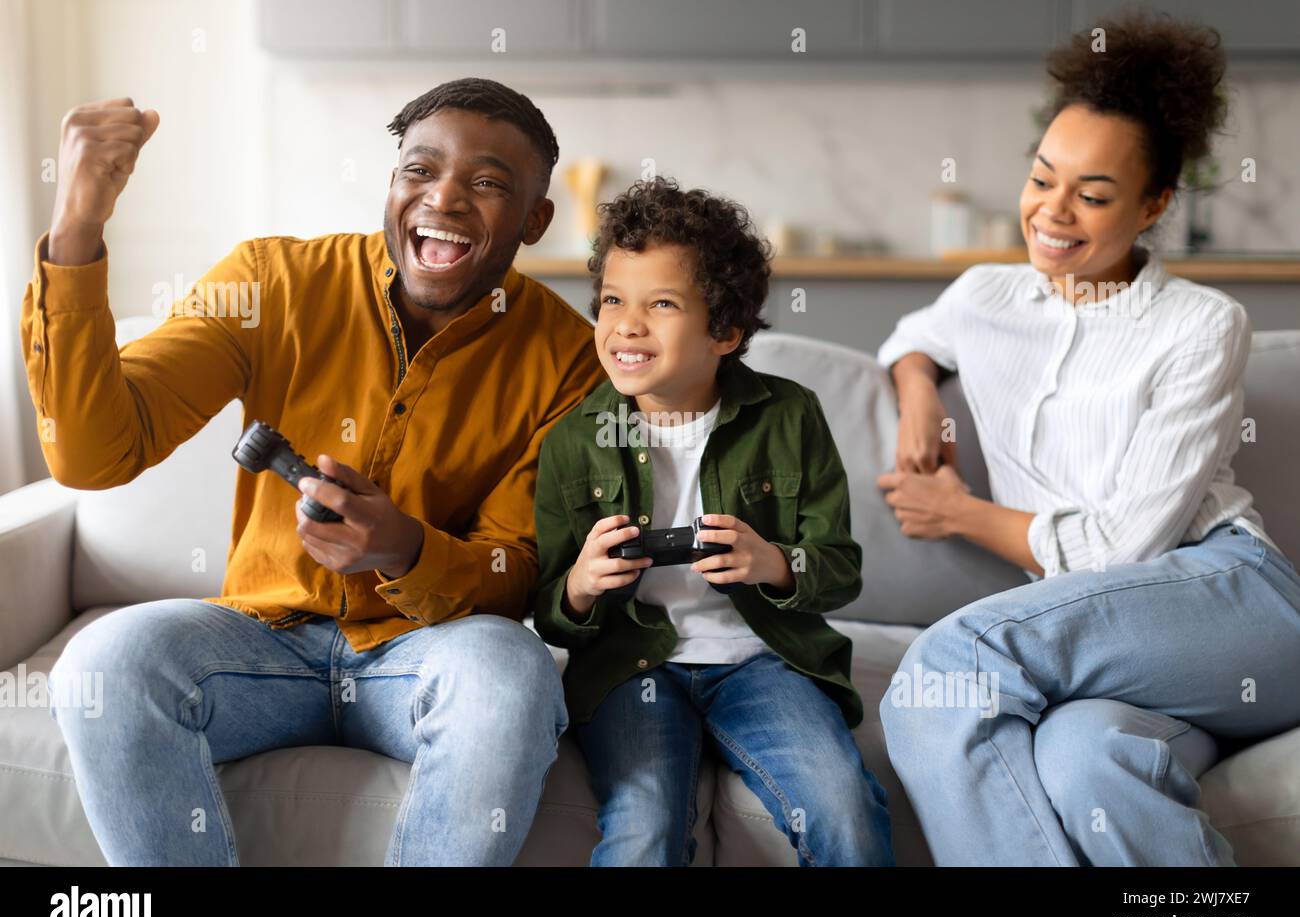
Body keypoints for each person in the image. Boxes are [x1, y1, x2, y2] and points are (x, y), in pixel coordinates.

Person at [20, 77, 605, 865]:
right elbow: (93, 453)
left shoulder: (572, 358)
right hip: (259, 646)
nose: (446, 199)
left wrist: (403, 549)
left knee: (511, 671)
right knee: (105, 660)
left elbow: (522, 570)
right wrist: (78, 227)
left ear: (535, 220)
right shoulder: (271, 283)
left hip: (429, 655)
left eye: (488, 183)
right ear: (393, 184)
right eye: (420, 171)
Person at [875, 13, 1300, 865]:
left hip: (1229, 602)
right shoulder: (988, 296)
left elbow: (1121, 547)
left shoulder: (1202, 325)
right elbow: (914, 333)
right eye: (1042, 178)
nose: (1052, 212)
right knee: (1089, 757)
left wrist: (961, 513)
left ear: (1153, 205)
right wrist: (917, 385)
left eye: (1093, 195)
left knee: (944, 669)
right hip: (1119, 660)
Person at [532, 177, 894, 866]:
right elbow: (550, 612)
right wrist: (580, 583)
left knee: (842, 804)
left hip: (766, 659)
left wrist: (776, 564)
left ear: (724, 331)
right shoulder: (572, 440)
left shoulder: (790, 416)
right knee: (645, 827)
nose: (626, 325)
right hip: (629, 665)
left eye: (661, 304)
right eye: (612, 300)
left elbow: (840, 567)